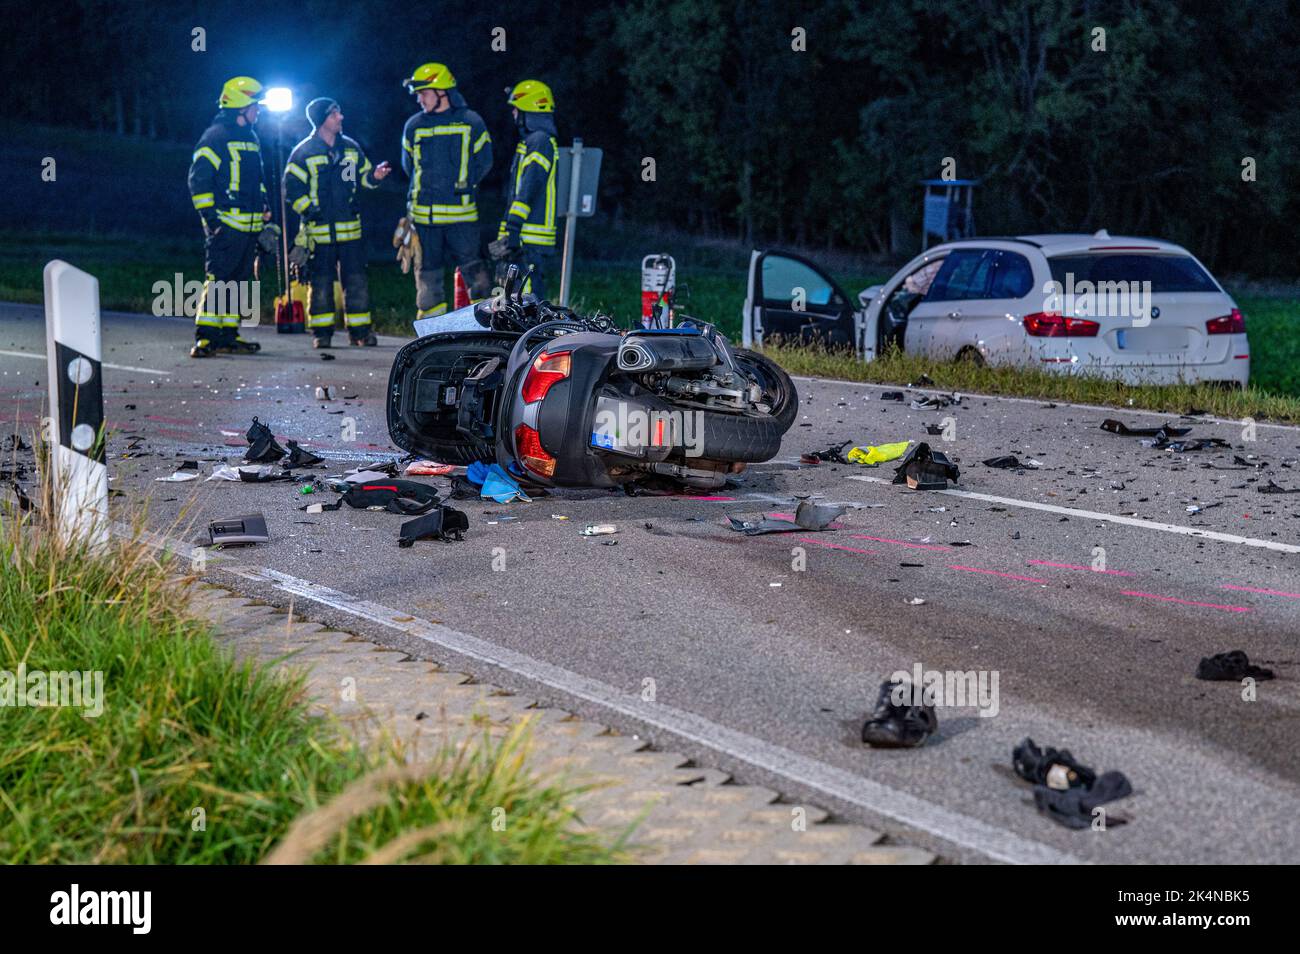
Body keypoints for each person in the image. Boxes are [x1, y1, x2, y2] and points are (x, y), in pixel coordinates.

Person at [283, 97, 391, 347]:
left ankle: (361, 332)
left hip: (350, 232)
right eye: (334, 114)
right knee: (320, 284)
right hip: (318, 233)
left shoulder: (350, 149)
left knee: (356, 282)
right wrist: (310, 211)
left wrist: (374, 176)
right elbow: (292, 190)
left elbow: (360, 178)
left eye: (340, 113)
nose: (340, 118)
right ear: (322, 120)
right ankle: (322, 334)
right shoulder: (303, 153)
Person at [187, 76, 272, 356]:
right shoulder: (215, 136)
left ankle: (228, 335)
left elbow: (256, 179)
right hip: (226, 225)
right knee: (219, 279)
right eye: (255, 106)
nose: (257, 111)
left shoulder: (251, 137)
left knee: (239, 282)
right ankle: (206, 337)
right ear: (241, 107)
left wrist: (264, 205)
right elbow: (199, 182)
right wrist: (213, 221)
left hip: (248, 225)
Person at [400, 62, 493, 320]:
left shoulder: (471, 122)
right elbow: (409, 167)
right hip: (424, 219)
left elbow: (484, 162)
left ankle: (486, 328)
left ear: (443, 92)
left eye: (424, 93)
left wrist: (462, 184)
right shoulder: (414, 125)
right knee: (427, 275)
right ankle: (430, 332)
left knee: (476, 273)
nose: (419, 99)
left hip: (461, 218)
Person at [489, 79, 559, 299]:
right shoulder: (532, 142)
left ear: (529, 111)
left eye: (516, 109)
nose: (513, 114)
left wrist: (514, 226)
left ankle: (532, 334)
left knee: (526, 298)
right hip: (525, 235)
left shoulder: (540, 142)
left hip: (530, 236)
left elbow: (530, 187)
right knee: (516, 295)